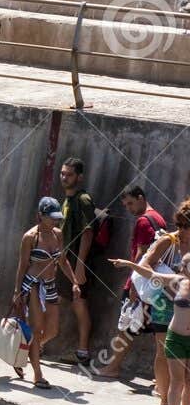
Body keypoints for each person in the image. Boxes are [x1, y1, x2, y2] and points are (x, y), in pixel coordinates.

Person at [110, 252, 190, 405]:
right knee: (177, 382)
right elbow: (150, 275)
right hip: (176, 338)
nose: (185, 266)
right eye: (185, 264)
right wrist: (129, 263)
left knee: (189, 382)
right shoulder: (177, 281)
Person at [97, 184, 169, 383]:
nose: (128, 209)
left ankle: (113, 367)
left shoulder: (144, 221)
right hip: (154, 284)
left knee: (126, 327)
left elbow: (142, 254)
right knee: (157, 331)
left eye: (130, 203)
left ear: (140, 198)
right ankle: (161, 376)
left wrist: (134, 286)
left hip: (141, 283)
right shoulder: (159, 219)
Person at [10, 197, 82, 389]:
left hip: (50, 285)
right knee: (37, 329)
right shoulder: (30, 237)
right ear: (40, 216)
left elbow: (63, 261)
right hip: (33, 285)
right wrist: (17, 291)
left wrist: (74, 281)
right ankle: (37, 374)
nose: (55, 222)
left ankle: (25, 352)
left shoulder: (58, 234)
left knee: (52, 330)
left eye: (57, 218)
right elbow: (22, 265)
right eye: (51, 218)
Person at [133, 199, 190, 405]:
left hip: (186, 308)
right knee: (164, 352)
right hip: (164, 303)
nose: (182, 230)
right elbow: (144, 264)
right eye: (181, 225)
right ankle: (164, 399)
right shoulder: (169, 241)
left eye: (187, 226)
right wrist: (165, 279)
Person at [58, 156, 99, 365]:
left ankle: (83, 351)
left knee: (79, 303)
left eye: (69, 174)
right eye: (63, 173)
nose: (64, 177)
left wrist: (80, 264)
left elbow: (87, 232)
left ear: (79, 177)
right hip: (65, 262)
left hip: (77, 263)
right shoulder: (67, 199)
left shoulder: (82, 200)